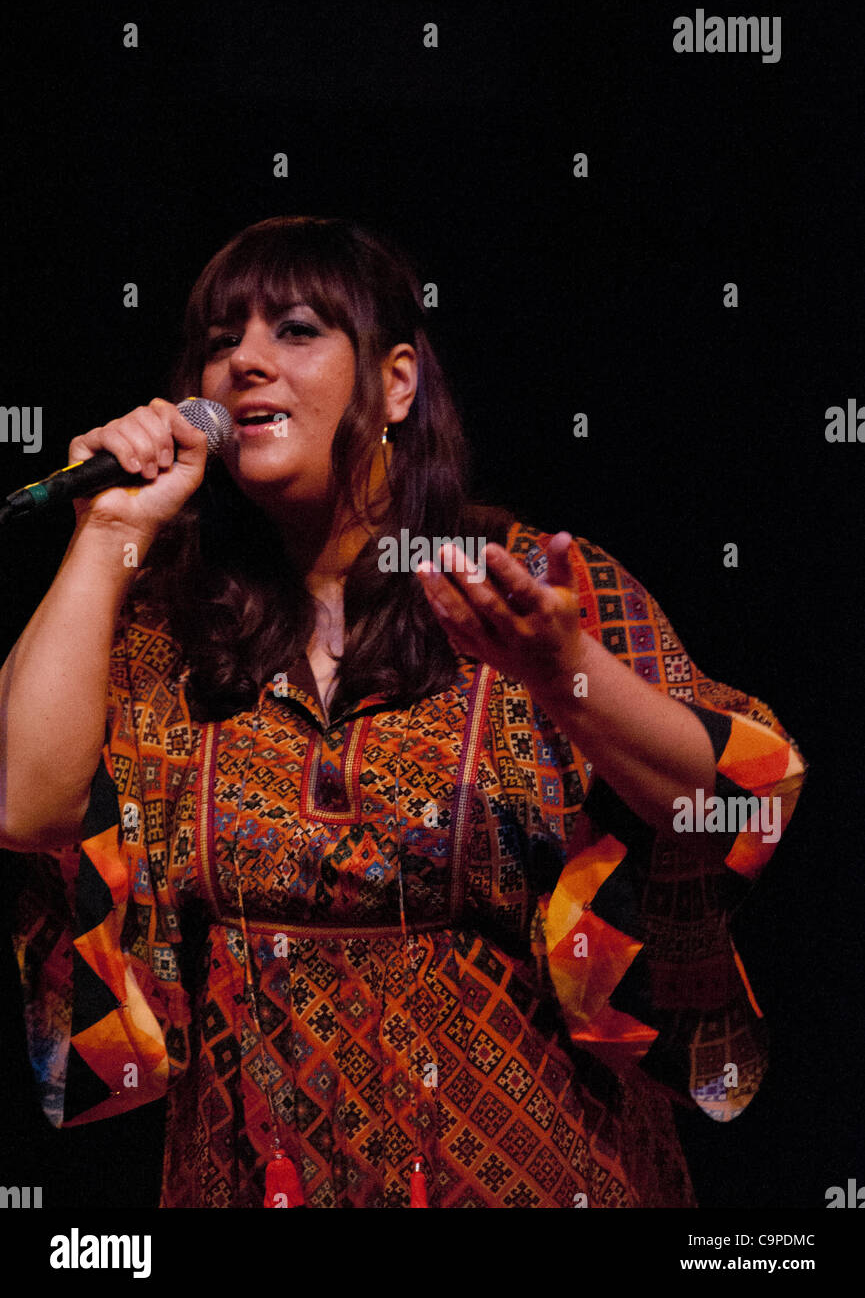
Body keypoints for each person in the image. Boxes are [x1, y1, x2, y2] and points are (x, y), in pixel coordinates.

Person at [0, 215, 806, 1209]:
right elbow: (25, 806)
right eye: (219, 341)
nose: (245, 360)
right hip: (251, 1176)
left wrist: (563, 676)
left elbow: (735, 801)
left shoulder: (526, 587)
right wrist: (107, 533)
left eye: (294, 329)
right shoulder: (168, 622)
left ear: (394, 383)